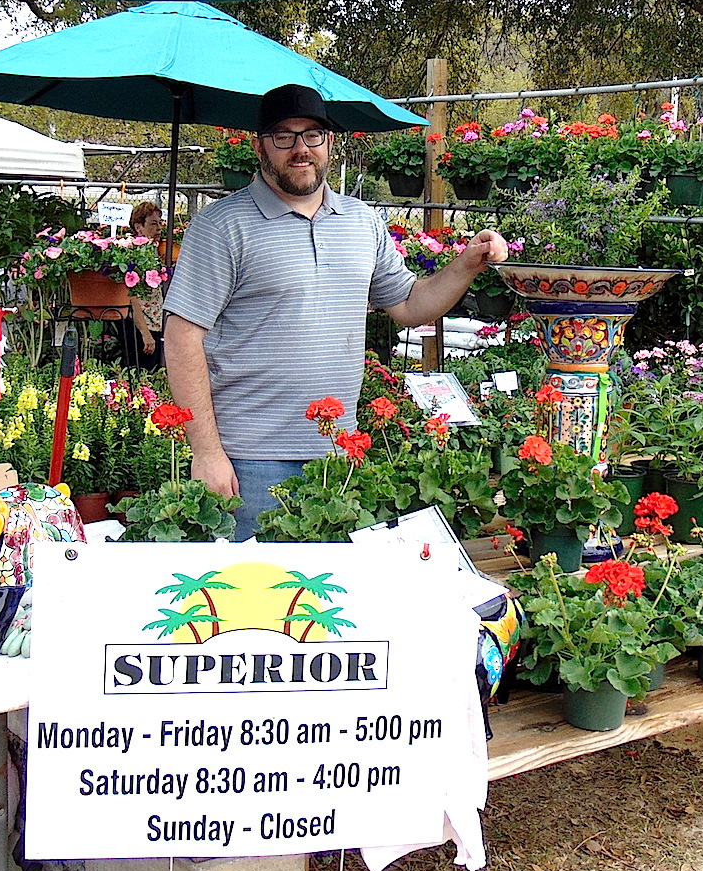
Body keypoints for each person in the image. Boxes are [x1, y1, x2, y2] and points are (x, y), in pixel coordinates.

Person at [163, 83, 508, 540]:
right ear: (260, 145)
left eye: (313, 135)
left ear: (330, 142)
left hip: (338, 458)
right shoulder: (222, 226)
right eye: (284, 136)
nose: (300, 149)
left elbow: (408, 304)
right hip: (250, 462)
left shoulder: (362, 221)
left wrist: (466, 263)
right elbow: (182, 337)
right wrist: (206, 453)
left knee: (323, 606)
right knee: (258, 605)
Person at [121, 202, 164, 370]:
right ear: (139, 227)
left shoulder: (151, 251)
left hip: (153, 324)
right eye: (153, 224)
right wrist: (145, 333)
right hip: (140, 327)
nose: (159, 228)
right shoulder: (134, 253)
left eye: (160, 223)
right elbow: (131, 296)